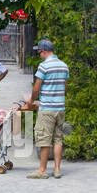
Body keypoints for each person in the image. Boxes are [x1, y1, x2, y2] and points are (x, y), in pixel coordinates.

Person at [20, 38, 69, 179]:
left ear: (44, 51)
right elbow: (65, 87)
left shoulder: (43, 66)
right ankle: (57, 169)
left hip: (47, 108)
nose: (39, 55)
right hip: (60, 107)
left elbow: (36, 87)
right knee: (58, 138)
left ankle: (42, 170)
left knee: (44, 139)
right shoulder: (64, 66)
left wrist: (31, 101)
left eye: (39, 52)